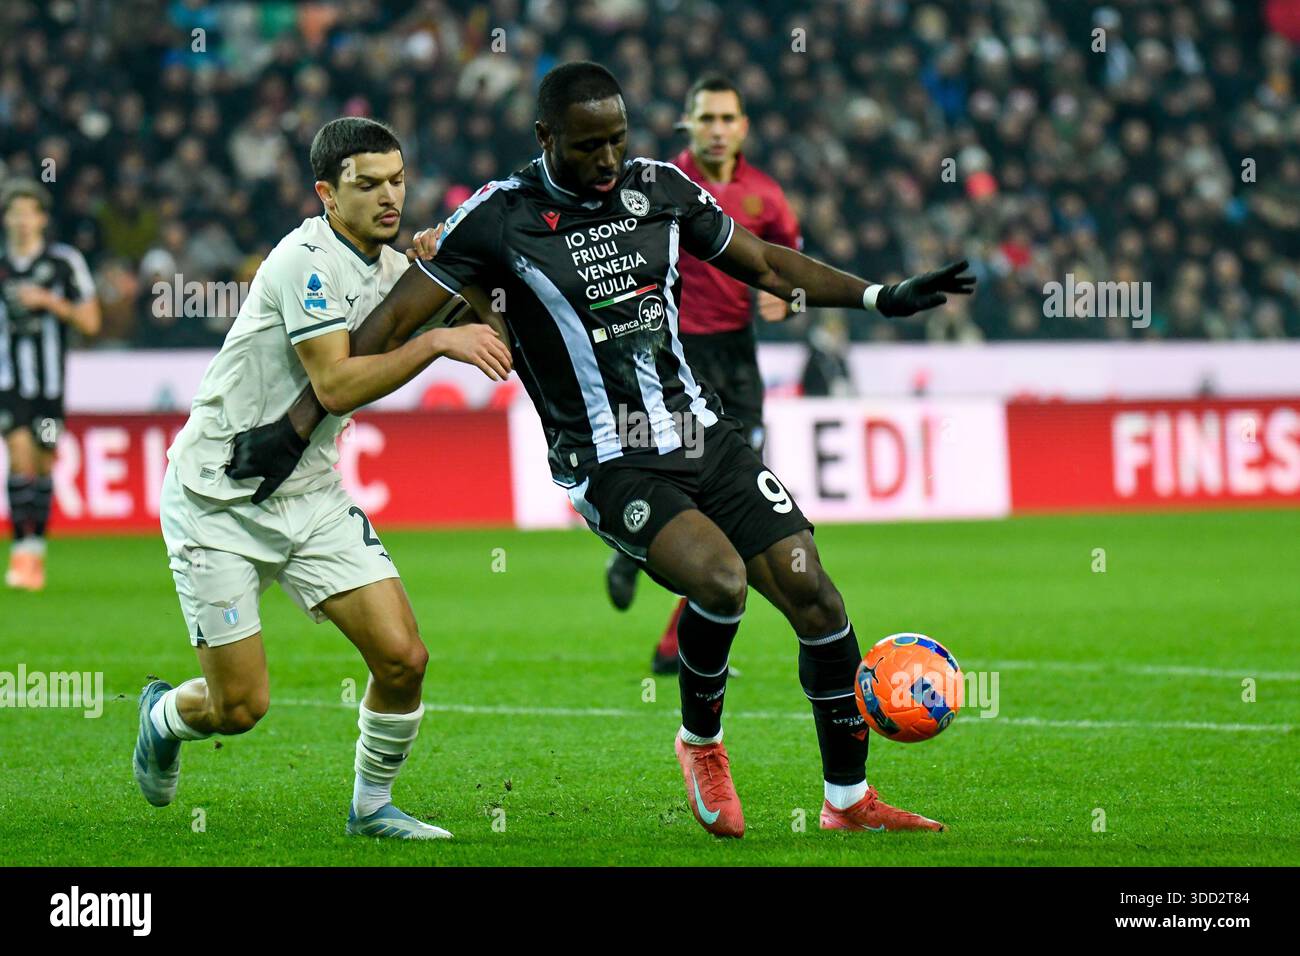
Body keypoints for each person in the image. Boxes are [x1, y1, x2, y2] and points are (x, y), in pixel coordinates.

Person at [229, 63, 973, 838]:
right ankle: (701, 743)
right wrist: (292, 429)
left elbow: (763, 263)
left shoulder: (659, 187)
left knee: (812, 589)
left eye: (618, 139)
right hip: (607, 458)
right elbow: (382, 331)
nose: (610, 160)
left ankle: (848, 802)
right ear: (546, 139)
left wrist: (879, 296)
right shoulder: (496, 217)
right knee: (720, 582)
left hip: (697, 431)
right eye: (589, 146)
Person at [132, 118, 513, 841]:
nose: (389, 197)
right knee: (239, 708)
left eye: (397, 180)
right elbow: (335, 384)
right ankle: (161, 717)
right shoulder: (304, 260)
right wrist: (434, 339)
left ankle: (372, 808)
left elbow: (494, 337)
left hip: (309, 496)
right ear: (327, 195)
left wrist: (456, 275)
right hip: (217, 498)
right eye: (367, 185)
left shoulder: (397, 270)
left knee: (404, 659)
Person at [604, 73, 804, 675]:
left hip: (736, 360)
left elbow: (785, 267)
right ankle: (634, 551)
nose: (717, 129)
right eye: (706, 118)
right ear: (688, 123)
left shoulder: (766, 196)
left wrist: (787, 299)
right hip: (670, 359)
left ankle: (670, 638)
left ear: (743, 127)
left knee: (729, 499)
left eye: (727, 119)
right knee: (662, 479)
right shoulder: (656, 186)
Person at [0, 179, 100, 591]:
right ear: (6, 219)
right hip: (8, 383)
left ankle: (36, 549)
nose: (22, 221)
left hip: (50, 388)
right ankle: (21, 551)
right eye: (14, 212)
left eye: (30, 212)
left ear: (42, 218)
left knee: (43, 464)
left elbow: (91, 323)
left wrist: (49, 302)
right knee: (19, 454)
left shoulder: (64, 263)